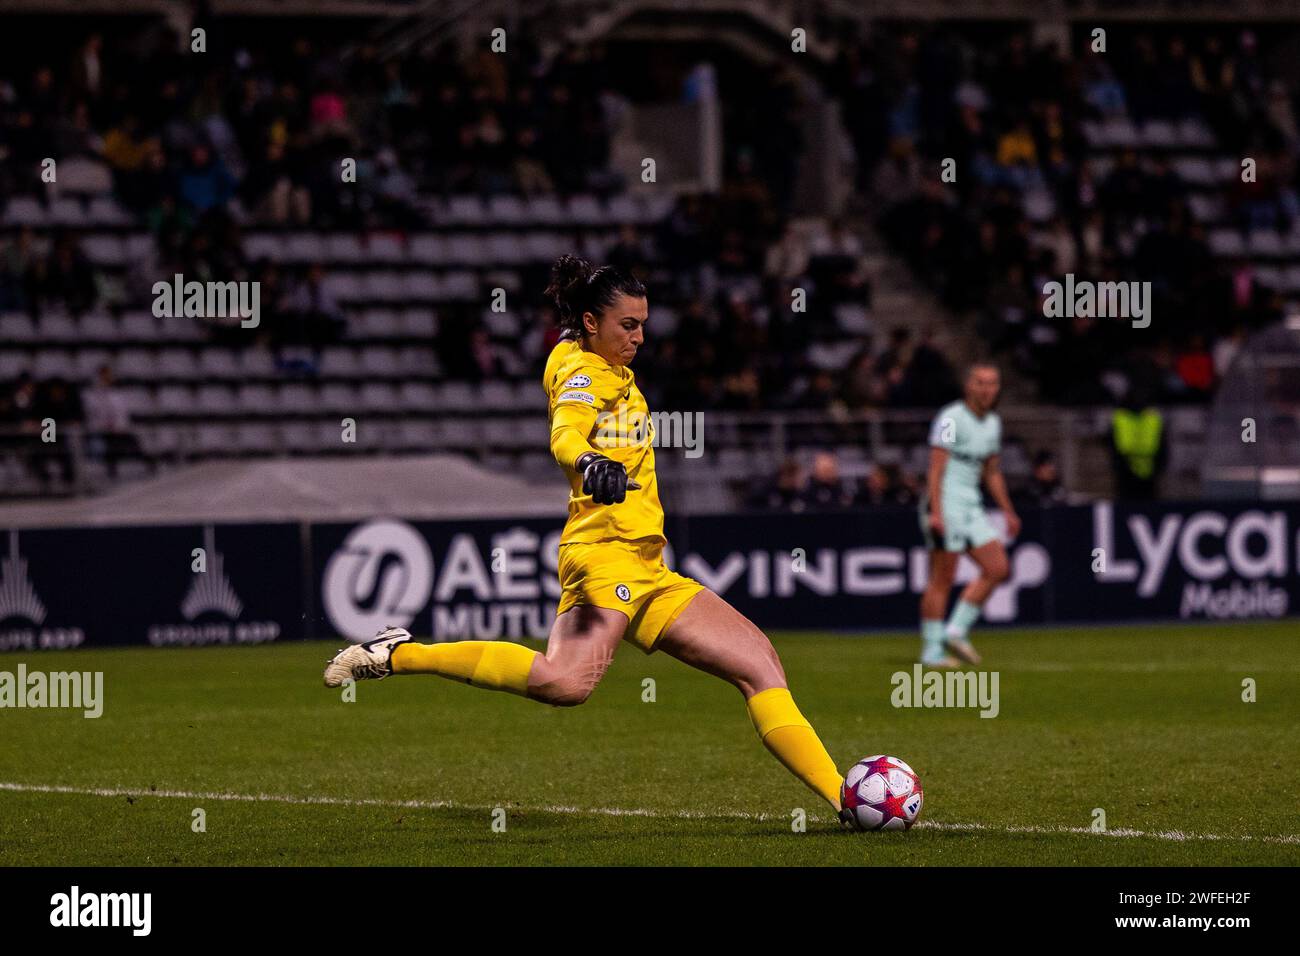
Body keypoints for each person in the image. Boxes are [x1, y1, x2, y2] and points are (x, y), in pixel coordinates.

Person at [325, 255, 848, 820]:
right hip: (605, 558)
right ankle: (399, 655)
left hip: (647, 565)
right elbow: (565, 432)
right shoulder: (586, 373)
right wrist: (589, 459)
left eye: (644, 323)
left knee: (759, 662)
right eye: (628, 324)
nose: (640, 336)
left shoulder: (586, 359)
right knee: (566, 682)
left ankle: (844, 797)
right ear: (592, 322)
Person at [917, 363, 1020, 667]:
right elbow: (935, 469)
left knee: (998, 567)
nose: (987, 389)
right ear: (969, 386)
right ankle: (932, 651)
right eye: (981, 383)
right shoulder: (951, 418)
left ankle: (956, 630)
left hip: (972, 505)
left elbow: (992, 472)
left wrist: (1008, 511)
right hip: (946, 503)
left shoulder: (992, 424)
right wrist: (936, 512)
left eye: (992, 383)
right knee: (942, 577)